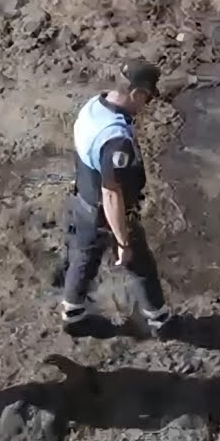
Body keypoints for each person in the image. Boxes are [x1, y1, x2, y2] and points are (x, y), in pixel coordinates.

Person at [58, 59, 174, 339]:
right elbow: (112, 195)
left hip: (82, 202)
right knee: (141, 267)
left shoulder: (92, 107)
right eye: (146, 97)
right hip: (106, 213)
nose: (146, 104)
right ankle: (160, 322)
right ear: (136, 93)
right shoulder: (116, 140)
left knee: (83, 258)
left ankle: (72, 315)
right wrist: (123, 242)